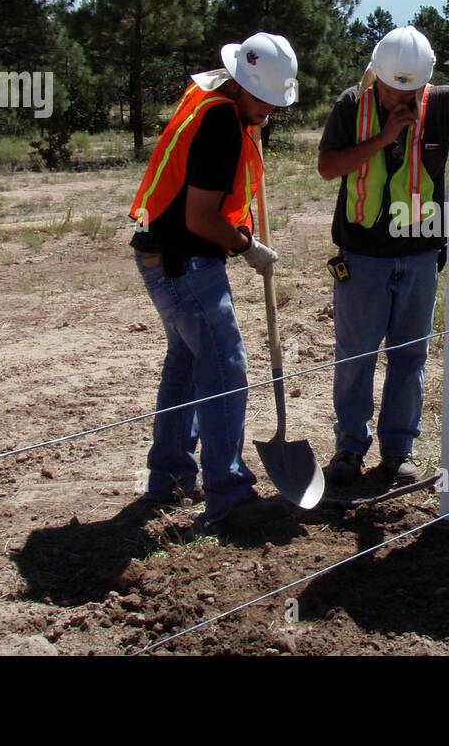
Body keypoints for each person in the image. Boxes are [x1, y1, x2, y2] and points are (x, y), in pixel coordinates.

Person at [128, 32, 296, 528]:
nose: (270, 111)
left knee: (186, 364)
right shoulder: (222, 123)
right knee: (225, 368)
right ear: (243, 86)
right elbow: (201, 217)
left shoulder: (211, 94)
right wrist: (248, 247)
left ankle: (171, 478)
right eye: (265, 101)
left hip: (161, 253)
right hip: (185, 259)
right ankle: (228, 493)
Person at [317, 26, 449, 485]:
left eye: (411, 88)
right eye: (394, 87)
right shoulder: (351, 105)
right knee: (355, 355)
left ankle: (399, 451)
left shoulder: (444, 106)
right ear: (376, 75)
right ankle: (349, 449)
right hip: (362, 257)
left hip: (420, 253)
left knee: (410, 356)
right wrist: (383, 137)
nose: (401, 97)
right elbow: (327, 168)